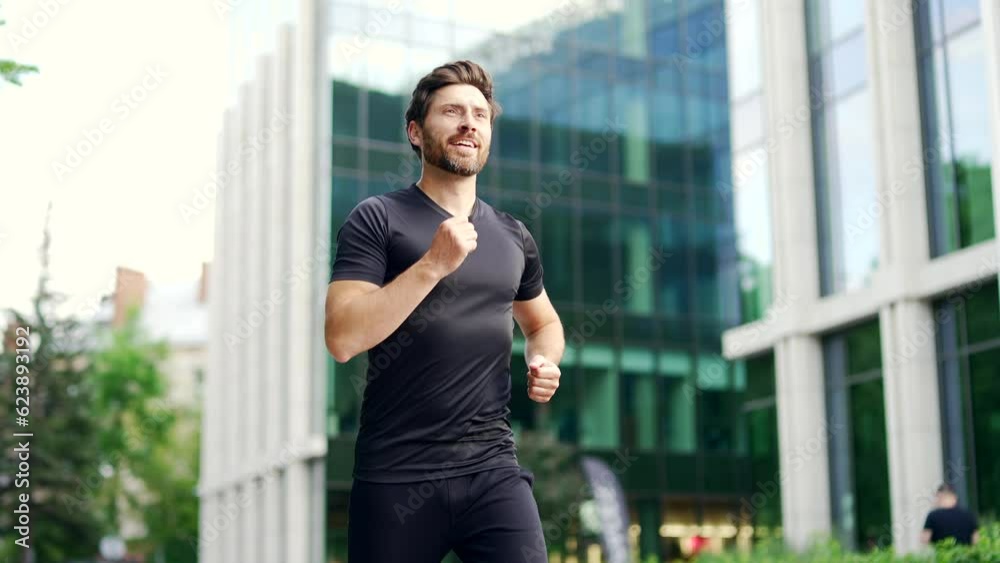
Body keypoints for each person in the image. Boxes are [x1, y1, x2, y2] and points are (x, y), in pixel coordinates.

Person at [325, 60, 565, 562]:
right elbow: (342, 337)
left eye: (480, 115)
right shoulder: (378, 218)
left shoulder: (513, 234)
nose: (469, 123)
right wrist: (433, 264)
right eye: (452, 111)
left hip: (492, 470)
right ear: (415, 132)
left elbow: (543, 322)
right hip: (395, 478)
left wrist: (543, 359)